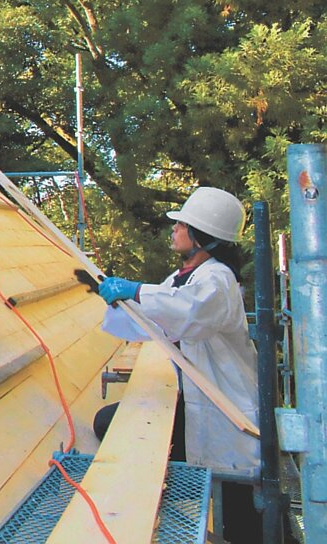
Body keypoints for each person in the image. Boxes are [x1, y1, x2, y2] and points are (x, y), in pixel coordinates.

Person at [94, 186, 261, 543]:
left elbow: (188, 312)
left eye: (182, 224)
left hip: (226, 410)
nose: (174, 229)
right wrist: (114, 302)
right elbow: (155, 317)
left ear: (202, 236)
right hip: (202, 399)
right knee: (109, 422)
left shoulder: (217, 280)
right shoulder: (184, 277)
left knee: (239, 512)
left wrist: (136, 291)